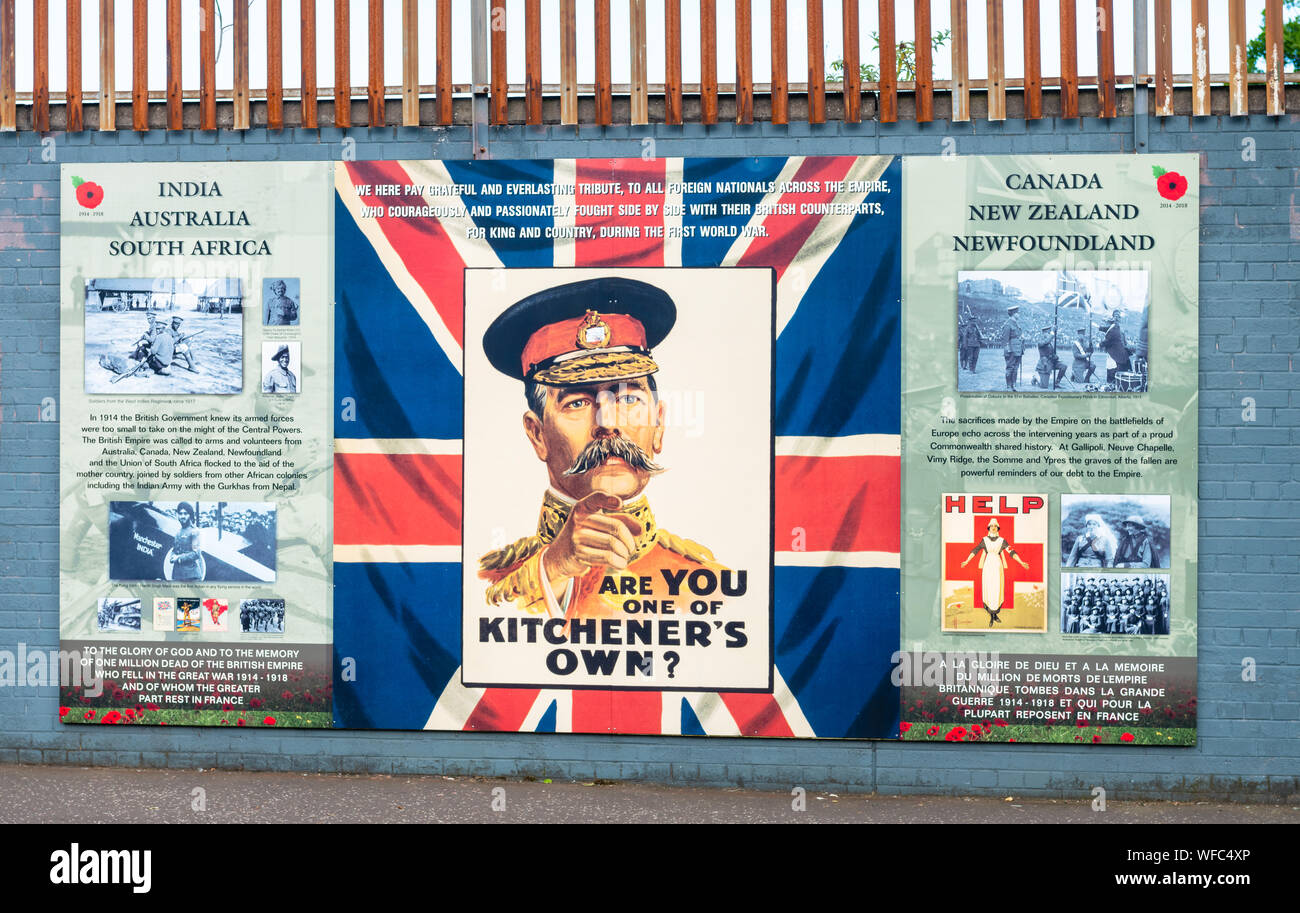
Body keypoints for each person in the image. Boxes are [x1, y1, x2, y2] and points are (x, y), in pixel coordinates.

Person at [477, 277, 721, 620]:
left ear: (659, 425)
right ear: (537, 435)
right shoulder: (488, 587)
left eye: (628, 397)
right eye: (577, 402)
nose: (608, 421)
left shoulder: (709, 585)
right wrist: (554, 569)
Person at [959, 518, 1031, 627]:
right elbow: (976, 550)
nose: (993, 527)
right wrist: (967, 561)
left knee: (997, 589)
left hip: (997, 566)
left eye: (995, 526)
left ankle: (995, 615)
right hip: (988, 566)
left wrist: (1021, 562)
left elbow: (1011, 551)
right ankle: (991, 616)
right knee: (989, 589)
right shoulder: (984, 540)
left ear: (997, 528)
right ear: (989, 528)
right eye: (991, 526)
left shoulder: (1002, 540)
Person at [168, 502, 205, 581]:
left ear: (190, 515)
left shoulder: (194, 532)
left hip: (191, 576)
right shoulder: (178, 532)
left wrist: (178, 558)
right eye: (180, 514)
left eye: (185, 514)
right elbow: (175, 550)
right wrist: (172, 556)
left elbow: (196, 553)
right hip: (177, 575)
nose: (183, 516)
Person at [1100, 309, 1132, 384]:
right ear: (1113, 317)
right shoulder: (1113, 327)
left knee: (1120, 371)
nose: (1117, 318)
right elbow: (1106, 329)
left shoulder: (1118, 327)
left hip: (1120, 352)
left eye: (1118, 316)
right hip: (1115, 352)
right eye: (1115, 316)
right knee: (1114, 368)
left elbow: (1122, 339)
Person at [999, 305, 1025, 391]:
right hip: (1011, 350)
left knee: (1016, 367)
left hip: (1018, 350)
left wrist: (1021, 338)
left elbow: (1016, 336)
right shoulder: (1008, 324)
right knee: (1010, 367)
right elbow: (1004, 340)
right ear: (1013, 314)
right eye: (1018, 313)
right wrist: (1008, 351)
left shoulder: (1016, 324)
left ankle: (1014, 384)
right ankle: (1009, 385)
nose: (1019, 314)